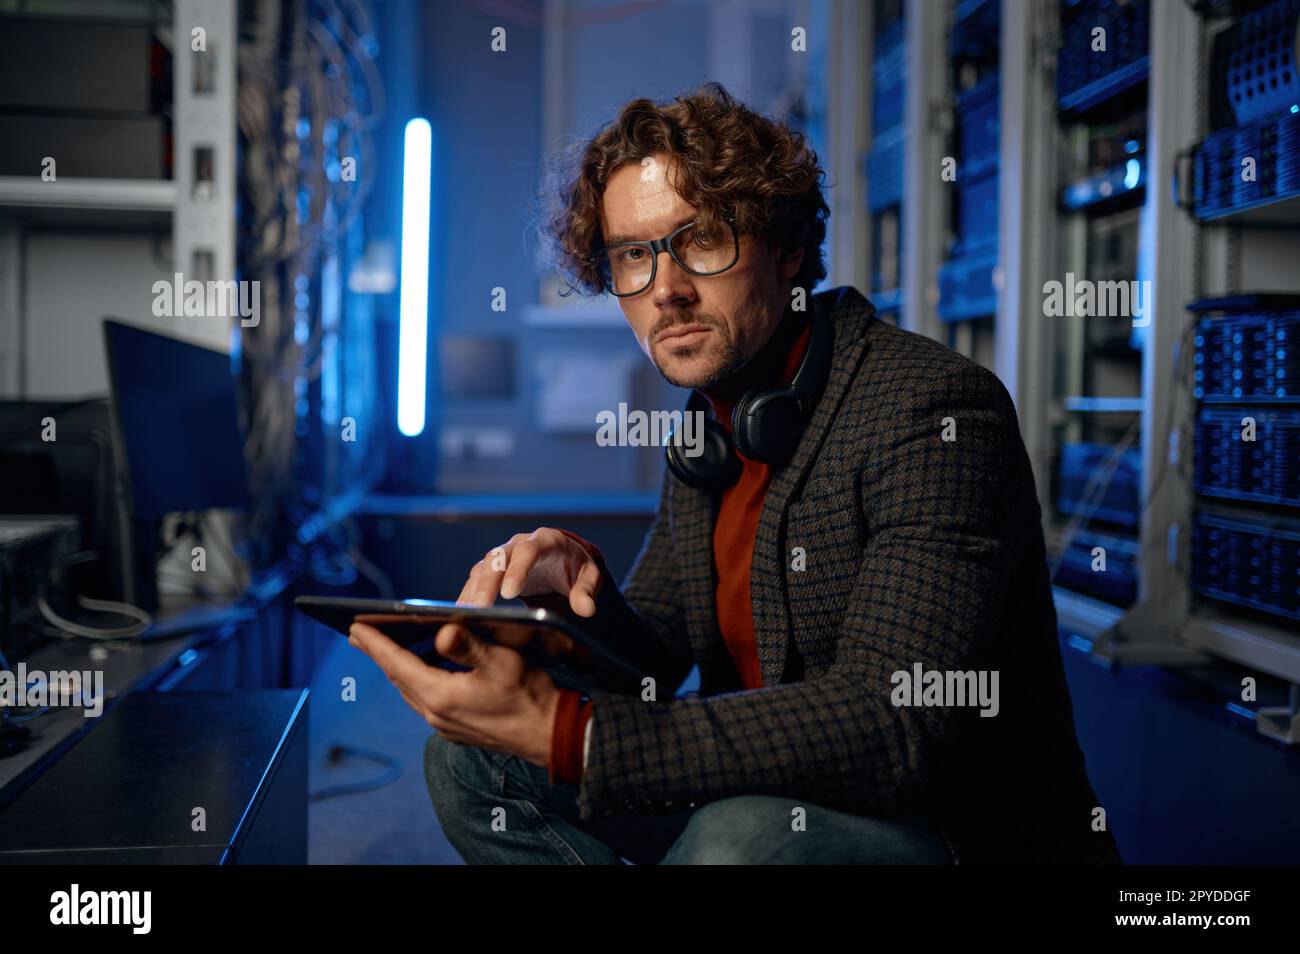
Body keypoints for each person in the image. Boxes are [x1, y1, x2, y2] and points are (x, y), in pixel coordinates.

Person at [348, 82, 1122, 865]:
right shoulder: (710, 429)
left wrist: (573, 734)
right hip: (777, 800)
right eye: (633, 256)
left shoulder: (932, 409)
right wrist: (564, 605)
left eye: (704, 239)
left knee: (738, 840)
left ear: (785, 249)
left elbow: (891, 723)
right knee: (474, 764)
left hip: (957, 835)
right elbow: (651, 655)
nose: (667, 290)